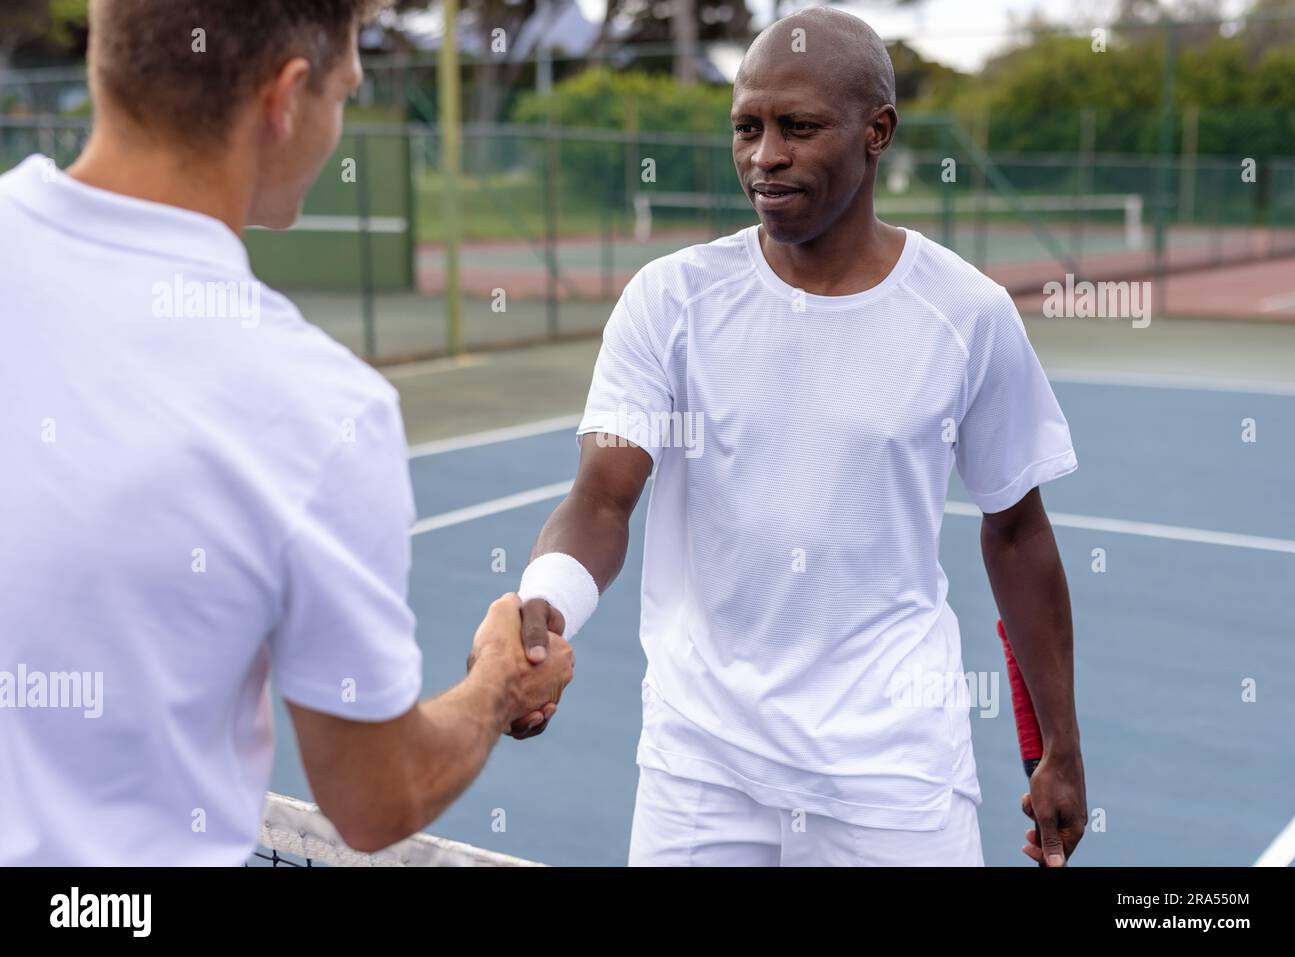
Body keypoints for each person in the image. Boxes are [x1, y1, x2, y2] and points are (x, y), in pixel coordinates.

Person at [0, 0, 572, 866]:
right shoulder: (318, 407)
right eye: (344, 92)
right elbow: (375, 800)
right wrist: (499, 681)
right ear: (287, 96)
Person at [513, 8, 1087, 866]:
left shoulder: (967, 314)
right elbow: (601, 495)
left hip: (894, 774)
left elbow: (1016, 529)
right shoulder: (669, 301)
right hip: (699, 767)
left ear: (877, 133)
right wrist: (548, 606)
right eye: (747, 127)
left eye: (798, 128)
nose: (764, 156)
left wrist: (1060, 747)